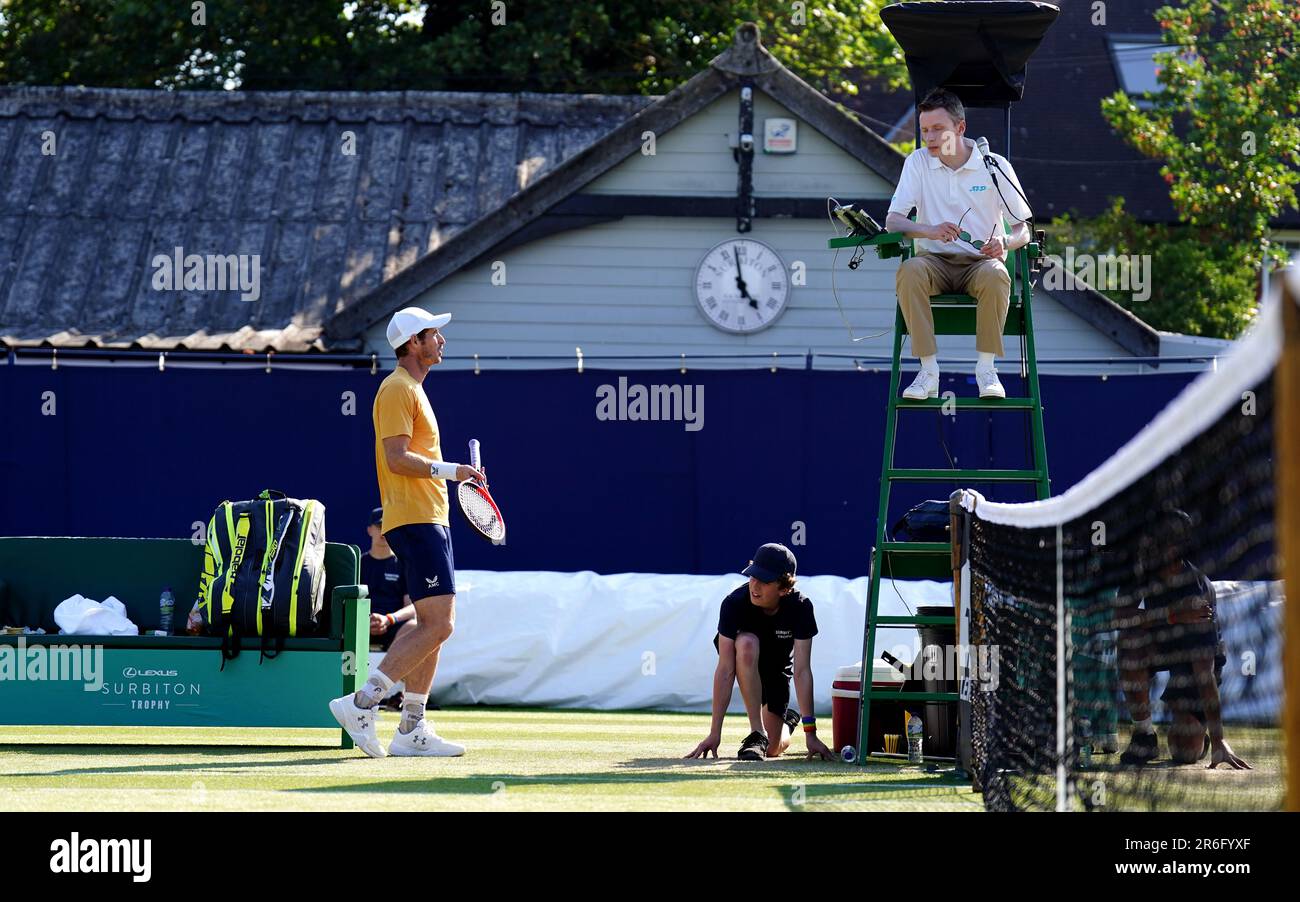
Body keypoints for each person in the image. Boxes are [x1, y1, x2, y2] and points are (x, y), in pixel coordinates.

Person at [329, 307, 484, 758]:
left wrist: (450, 476)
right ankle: (362, 703)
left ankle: (412, 727)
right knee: (440, 623)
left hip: (430, 518)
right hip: (415, 520)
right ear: (413, 343)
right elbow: (397, 458)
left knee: (432, 626)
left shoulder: (413, 389)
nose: (442, 341)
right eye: (434, 334)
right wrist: (453, 470)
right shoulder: (397, 388)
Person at [884, 87, 1034, 401]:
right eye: (925, 130)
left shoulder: (994, 165)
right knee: (909, 271)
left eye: (938, 129)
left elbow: (1025, 228)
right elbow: (893, 222)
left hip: (980, 264)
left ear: (960, 128)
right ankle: (928, 371)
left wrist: (1005, 241)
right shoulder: (917, 163)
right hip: (934, 263)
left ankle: (986, 370)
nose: (930, 137)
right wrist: (928, 229)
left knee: (997, 274)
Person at [1116, 510, 1250, 770]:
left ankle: (1199, 734)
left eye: (1158, 541)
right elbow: (1119, 618)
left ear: (1175, 548)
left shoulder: (1199, 590)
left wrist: (1219, 738)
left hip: (1195, 661)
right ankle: (1144, 735)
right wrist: (1172, 615)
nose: (1148, 546)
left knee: (1184, 751)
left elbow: (1204, 673)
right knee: (1130, 639)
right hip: (1161, 641)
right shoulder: (1140, 569)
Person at [686, 543, 835, 762]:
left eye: (764, 581)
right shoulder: (733, 604)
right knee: (747, 643)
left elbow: (802, 671)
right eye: (753, 577)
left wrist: (810, 733)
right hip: (744, 660)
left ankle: (788, 722)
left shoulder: (801, 607)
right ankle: (757, 732)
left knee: (774, 749)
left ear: (784, 588)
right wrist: (714, 733)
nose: (754, 586)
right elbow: (726, 669)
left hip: (776, 671)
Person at [360, 505, 411, 711]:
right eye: (379, 526)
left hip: (393, 628)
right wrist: (364, 620)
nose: (383, 531)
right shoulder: (358, 563)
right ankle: (342, 692)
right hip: (359, 626)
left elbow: (413, 607)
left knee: (418, 627)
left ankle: (404, 696)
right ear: (369, 530)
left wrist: (389, 619)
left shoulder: (404, 564)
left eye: (388, 526)